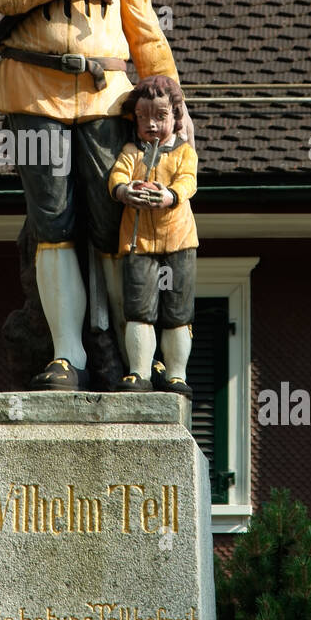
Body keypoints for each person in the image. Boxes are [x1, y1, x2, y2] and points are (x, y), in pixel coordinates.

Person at [0, 0, 191, 389]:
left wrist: (172, 100)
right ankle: (66, 353)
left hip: (109, 100)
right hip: (34, 96)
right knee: (52, 222)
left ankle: (121, 354)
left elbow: (145, 32)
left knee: (112, 223)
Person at [108, 74, 198, 394]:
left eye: (160, 116)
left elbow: (188, 181)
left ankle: (176, 373)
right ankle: (140, 371)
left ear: (175, 118)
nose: (152, 124)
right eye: (143, 117)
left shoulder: (183, 153)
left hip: (178, 240)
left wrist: (170, 195)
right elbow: (117, 174)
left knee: (177, 311)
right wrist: (124, 190)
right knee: (139, 309)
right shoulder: (133, 151)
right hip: (139, 241)